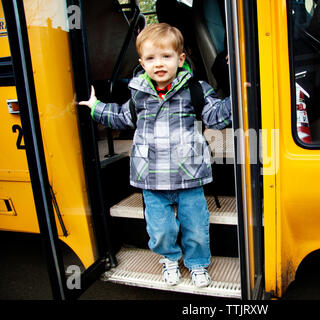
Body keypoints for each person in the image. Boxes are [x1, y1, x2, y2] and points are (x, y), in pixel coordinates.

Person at [79, 23, 232, 288]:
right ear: (142, 62)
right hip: (151, 178)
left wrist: (240, 96)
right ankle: (169, 259)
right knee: (160, 230)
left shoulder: (196, 89)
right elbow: (122, 116)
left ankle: (197, 264)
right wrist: (96, 107)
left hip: (189, 176)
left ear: (180, 59)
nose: (158, 64)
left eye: (166, 56)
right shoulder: (138, 94)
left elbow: (216, 117)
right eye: (151, 58)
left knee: (196, 227)